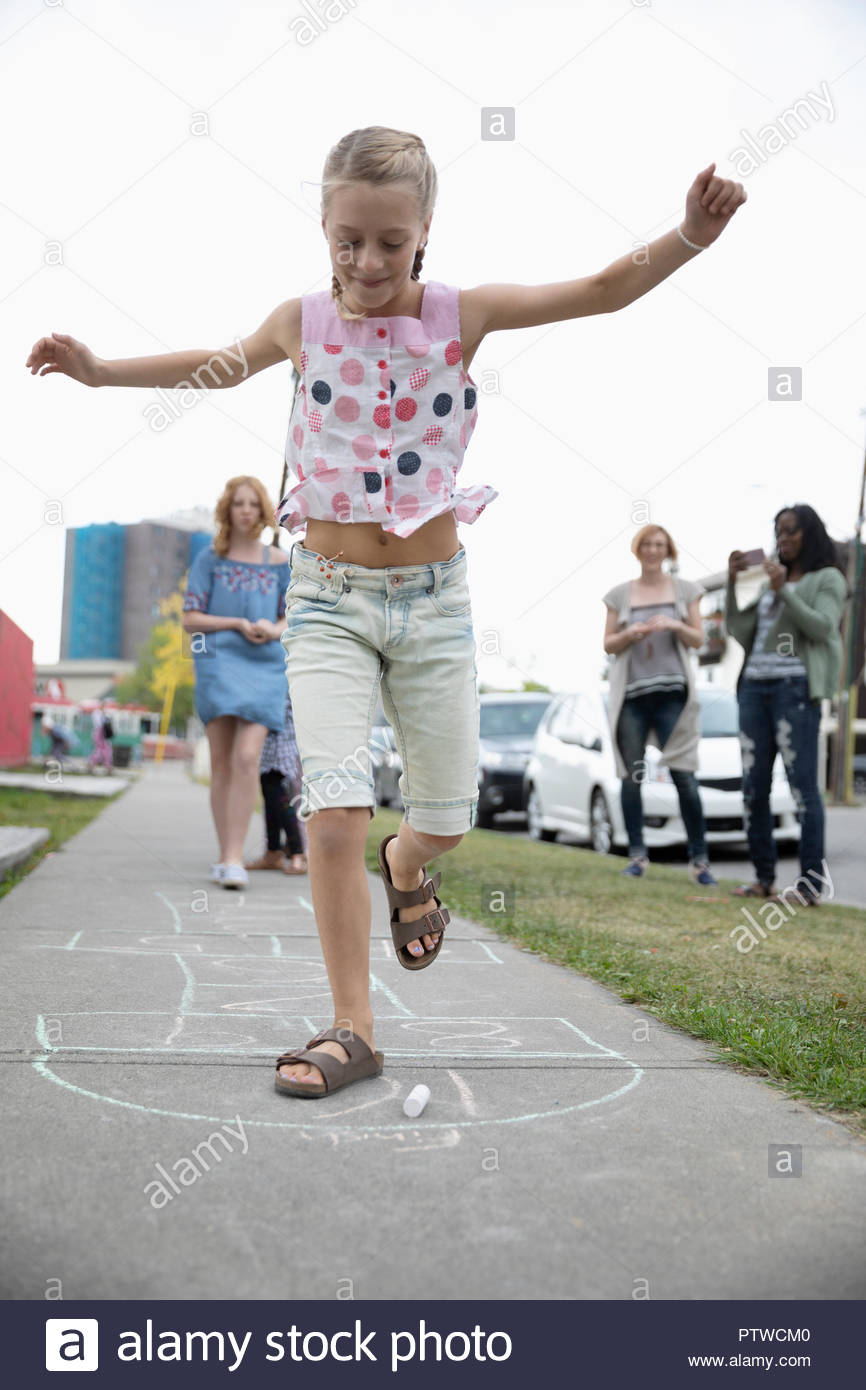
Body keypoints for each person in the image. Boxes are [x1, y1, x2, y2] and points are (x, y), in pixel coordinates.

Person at [25, 126, 746, 1097]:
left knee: (441, 819)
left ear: (423, 236)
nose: (366, 263)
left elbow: (600, 289)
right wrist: (101, 369)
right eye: (346, 241)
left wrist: (688, 235)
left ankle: (407, 867)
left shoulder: (462, 314)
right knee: (330, 809)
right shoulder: (299, 321)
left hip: (433, 604)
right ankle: (352, 1027)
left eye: (389, 244)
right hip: (323, 597)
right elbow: (217, 363)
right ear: (324, 229)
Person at [726, 505, 847, 905]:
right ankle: (764, 879)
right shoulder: (769, 582)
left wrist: (783, 593)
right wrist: (731, 584)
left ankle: (810, 886)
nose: (783, 539)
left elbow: (822, 626)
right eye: (779, 531)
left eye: (791, 531)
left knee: (803, 789)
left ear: (808, 534)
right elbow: (741, 631)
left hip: (794, 689)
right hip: (753, 689)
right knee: (752, 788)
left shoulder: (827, 578)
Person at [181, 477, 290, 889]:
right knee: (223, 763)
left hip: (264, 664)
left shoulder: (281, 562)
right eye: (237, 504)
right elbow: (191, 617)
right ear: (227, 510)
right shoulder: (211, 558)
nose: (245, 510)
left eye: (252, 503)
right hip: (217, 660)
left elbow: (291, 616)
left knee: (248, 758)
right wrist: (236, 623)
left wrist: (272, 628)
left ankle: (235, 856)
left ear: (262, 510)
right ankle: (228, 855)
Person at [603, 526, 717, 885]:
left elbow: (698, 638)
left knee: (684, 776)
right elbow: (608, 644)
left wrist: (672, 624)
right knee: (632, 777)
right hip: (633, 697)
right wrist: (631, 633)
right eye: (647, 545)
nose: (653, 550)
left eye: (660, 545)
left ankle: (700, 861)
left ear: (668, 551)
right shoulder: (619, 595)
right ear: (638, 550)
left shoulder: (686, 591)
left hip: (673, 696)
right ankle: (637, 856)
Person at [246, 687, 308, 875]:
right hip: (267, 739)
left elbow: (280, 704)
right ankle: (273, 852)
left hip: (283, 737)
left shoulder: (282, 665)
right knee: (270, 795)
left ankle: (298, 853)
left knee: (281, 796)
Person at [87, 701, 113, 773]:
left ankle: (106, 766)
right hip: (100, 734)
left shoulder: (104, 714)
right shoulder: (97, 713)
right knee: (101, 750)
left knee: (104, 751)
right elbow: (99, 724)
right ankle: (93, 764)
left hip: (103, 735)